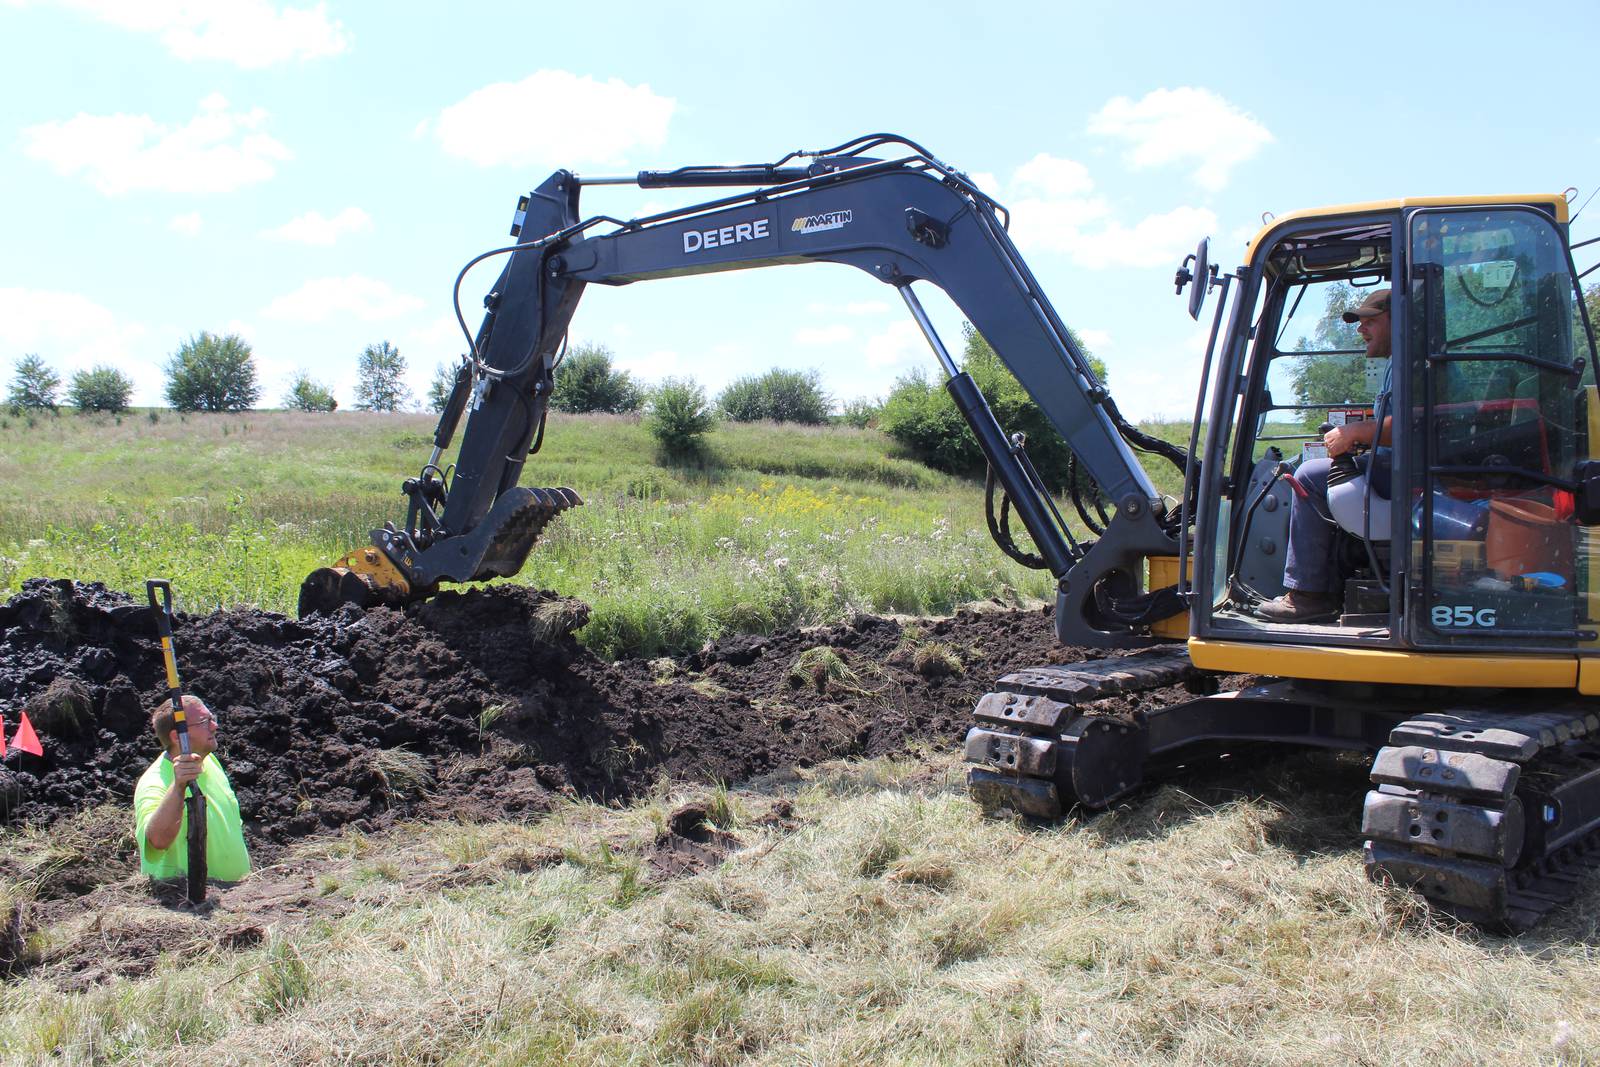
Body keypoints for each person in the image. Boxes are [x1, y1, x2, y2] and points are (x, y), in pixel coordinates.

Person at [1258, 288, 1394, 622]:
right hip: (1402, 464)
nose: (1361, 330)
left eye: (1370, 322)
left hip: (1411, 470)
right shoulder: (1400, 363)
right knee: (1322, 470)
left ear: (1398, 319)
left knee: (1308, 476)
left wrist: (1353, 432)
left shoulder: (1415, 363)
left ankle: (1308, 593)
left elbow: (1415, 423)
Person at [132, 694, 251, 883]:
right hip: (187, 905)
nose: (214, 726)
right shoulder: (154, 783)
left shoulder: (209, 761)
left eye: (212, 718)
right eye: (205, 722)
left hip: (240, 898)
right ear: (178, 736)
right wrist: (179, 787)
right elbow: (157, 841)